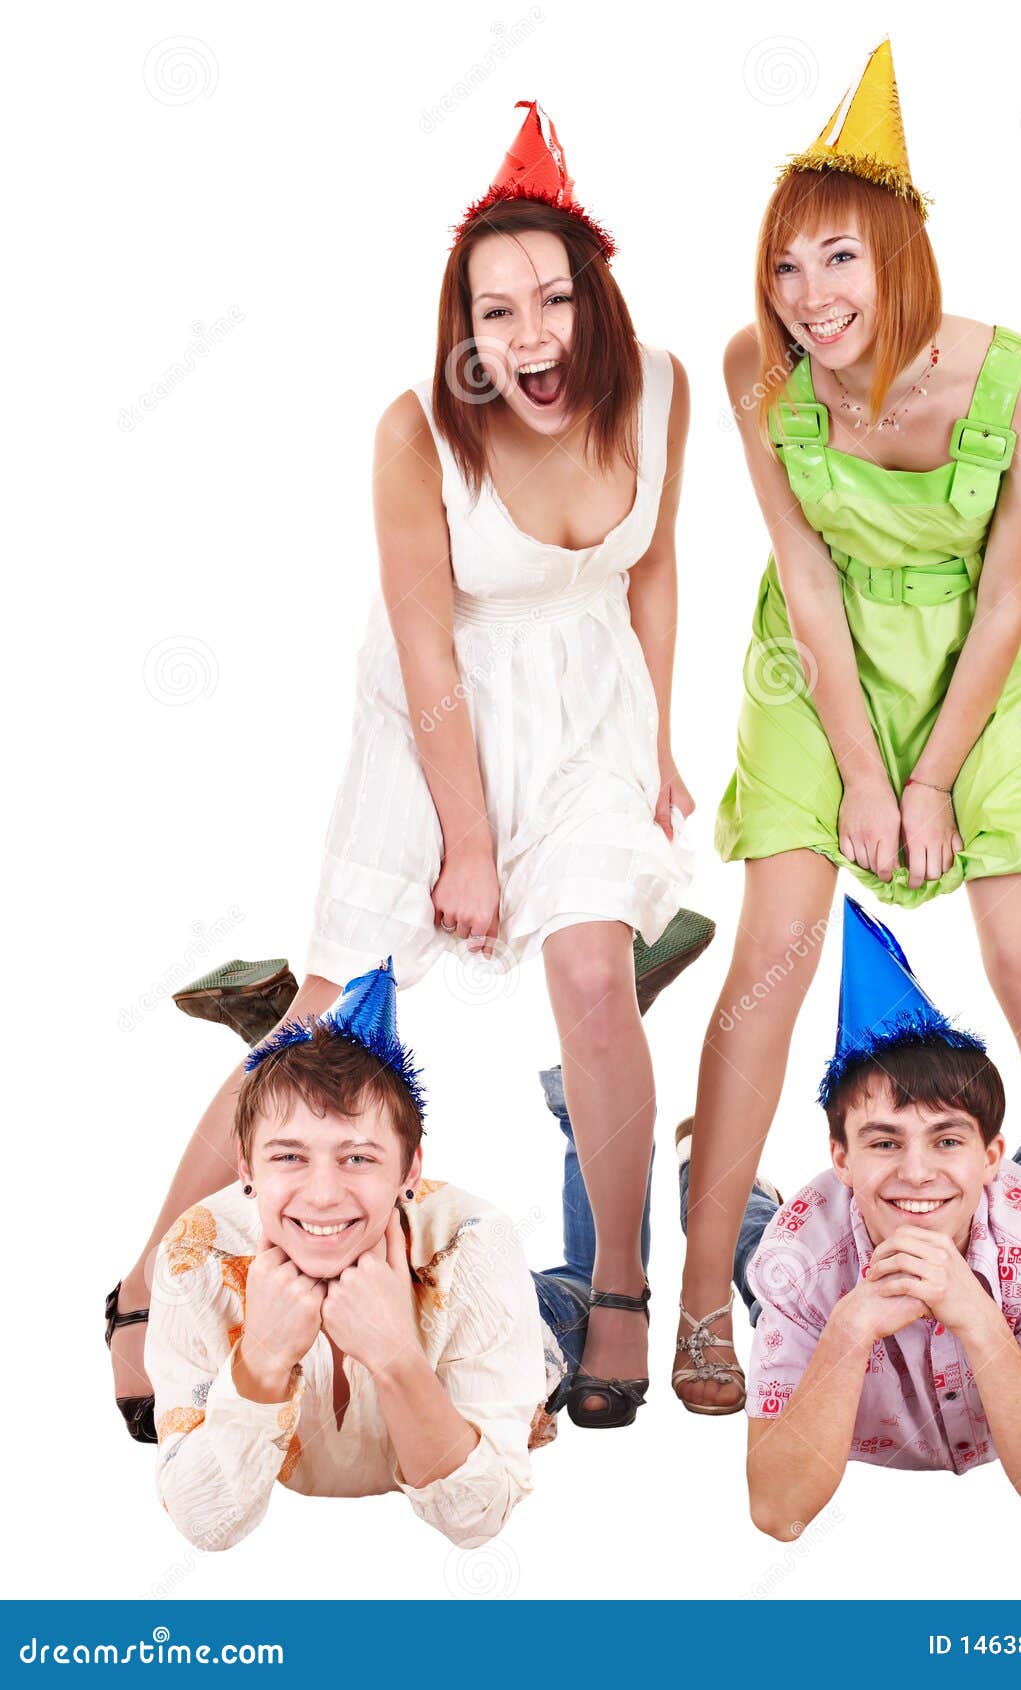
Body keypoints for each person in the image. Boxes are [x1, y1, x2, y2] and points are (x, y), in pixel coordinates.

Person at [108, 99, 700, 1436]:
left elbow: (656, 563)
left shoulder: (661, 387)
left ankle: (619, 1286)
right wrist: (469, 840)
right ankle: (144, 1282)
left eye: (553, 299)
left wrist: (660, 739)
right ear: (466, 327)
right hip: (442, 717)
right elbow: (428, 648)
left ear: (595, 297)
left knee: (593, 971)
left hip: (588, 710)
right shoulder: (415, 432)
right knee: (326, 1014)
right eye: (497, 313)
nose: (531, 335)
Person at [676, 39, 1021, 1414]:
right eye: (784, 266)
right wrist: (863, 769)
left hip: (986, 672)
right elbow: (806, 576)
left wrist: (932, 776)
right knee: (768, 957)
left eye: (839, 262)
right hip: (818, 668)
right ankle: (705, 1289)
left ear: (904, 259)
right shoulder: (756, 371)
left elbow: (1007, 599)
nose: (807, 298)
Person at [148, 957, 779, 1551]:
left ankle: (595, 1064)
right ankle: (311, 1050)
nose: (321, 1194)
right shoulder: (197, 1256)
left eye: (358, 1157)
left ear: (410, 1172)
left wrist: (397, 1357)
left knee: (592, 1286)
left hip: (510, 1313)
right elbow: (206, 1523)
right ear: (244, 1169)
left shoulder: (471, 1245)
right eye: (287, 1154)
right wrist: (258, 1358)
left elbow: (474, 1517)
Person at [742, 898, 1021, 1543]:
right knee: (747, 1242)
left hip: (1012, 1217)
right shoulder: (795, 1255)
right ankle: (715, 1169)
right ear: (842, 1159)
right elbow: (779, 1514)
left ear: (988, 1153)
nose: (915, 1170)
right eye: (884, 1142)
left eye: (946, 1139)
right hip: (818, 1241)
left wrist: (977, 1316)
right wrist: (848, 1329)